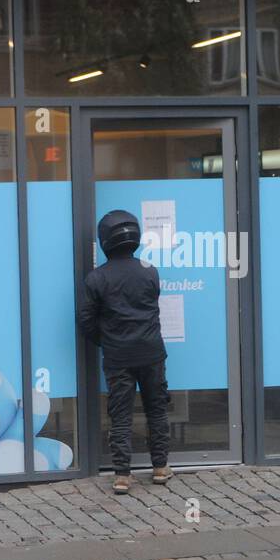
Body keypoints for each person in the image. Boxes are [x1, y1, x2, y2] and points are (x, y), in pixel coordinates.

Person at [78, 209, 171, 495]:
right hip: (152, 352)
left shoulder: (96, 278)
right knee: (156, 408)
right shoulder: (149, 271)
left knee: (120, 414)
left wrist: (106, 341)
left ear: (105, 239)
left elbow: (85, 320)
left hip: (118, 356)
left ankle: (122, 475)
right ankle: (159, 467)